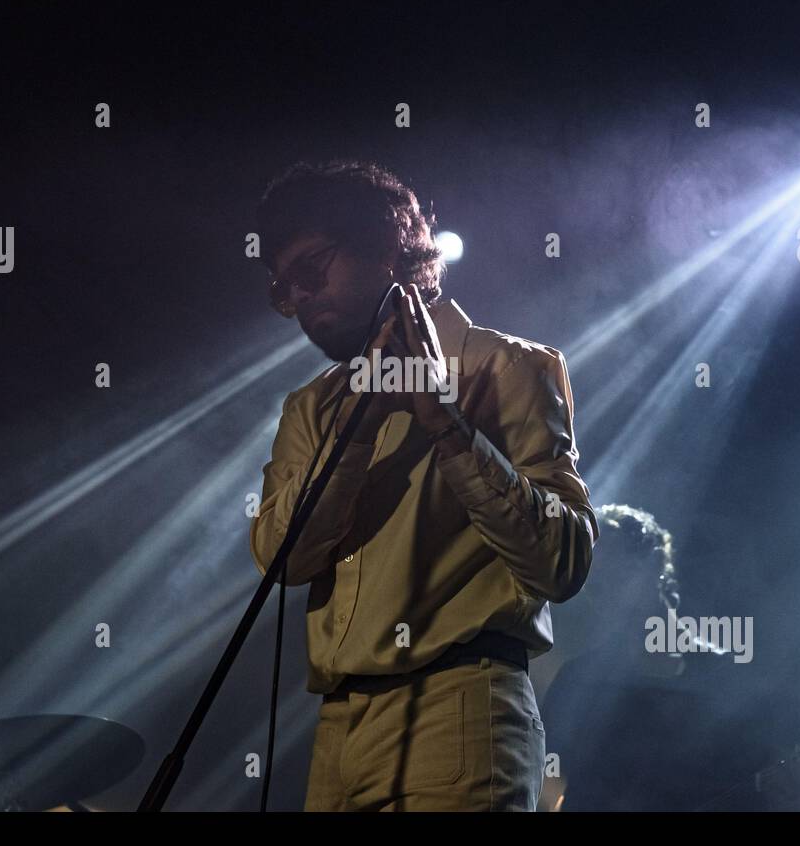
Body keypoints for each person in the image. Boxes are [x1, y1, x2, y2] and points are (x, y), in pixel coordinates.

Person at [249, 158, 597, 810]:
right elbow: (282, 557)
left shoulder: (507, 366)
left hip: (459, 706)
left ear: (387, 250)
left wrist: (448, 425)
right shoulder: (308, 408)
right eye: (282, 287)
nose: (298, 298)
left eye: (311, 269)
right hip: (335, 728)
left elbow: (564, 560)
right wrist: (361, 424)